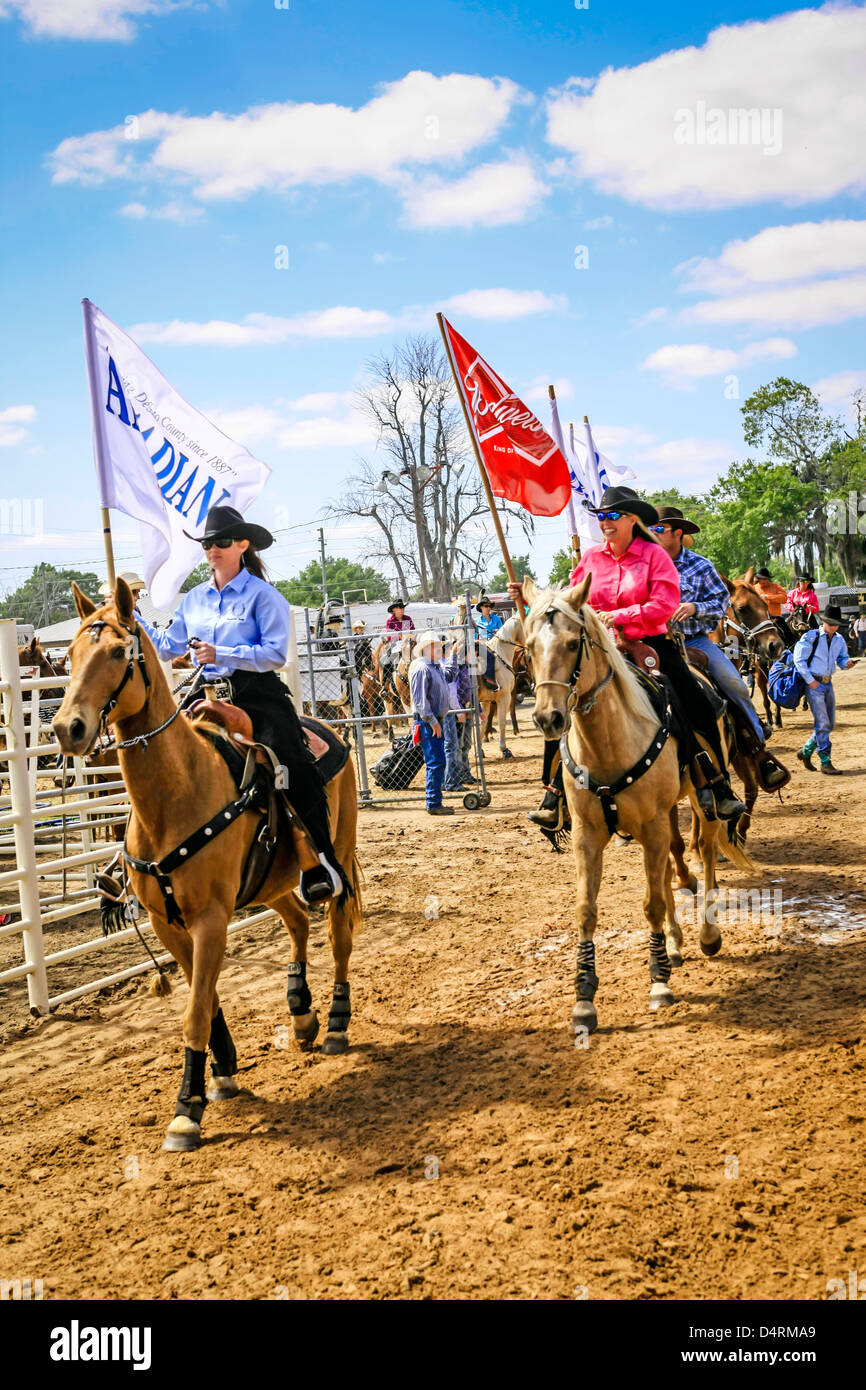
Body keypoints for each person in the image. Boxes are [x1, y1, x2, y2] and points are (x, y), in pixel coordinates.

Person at [133, 504, 343, 906]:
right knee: (156, 750)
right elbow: (165, 646)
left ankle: (320, 861)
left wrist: (221, 653)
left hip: (256, 694)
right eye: (209, 543)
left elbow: (276, 654)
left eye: (222, 542)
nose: (213, 549)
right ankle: (142, 863)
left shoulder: (264, 596)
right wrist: (133, 617)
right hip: (202, 693)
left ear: (242, 545)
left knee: (291, 761)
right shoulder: (192, 600)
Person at [508, 486, 746, 828]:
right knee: (562, 700)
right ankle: (554, 794)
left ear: (633, 520)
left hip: (650, 642)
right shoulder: (590, 559)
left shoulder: (655, 556)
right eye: (601, 516)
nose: (605, 522)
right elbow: (569, 603)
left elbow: (664, 604)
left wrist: (620, 616)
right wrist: (531, 599)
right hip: (601, 648)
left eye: (613, 516)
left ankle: (715, 781)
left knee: (693, 697)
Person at [653, 506, 788, 789]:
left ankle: (758, 750)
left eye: (659, 529)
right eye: (650, 529)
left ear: (677, 533)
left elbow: (719, 604)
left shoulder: (701, 566)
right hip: (651, 643)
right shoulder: (642, 564)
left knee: (732, 682)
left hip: (694, 641)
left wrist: (694, 607)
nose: (652, 534)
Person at [794, 603, 859, 775]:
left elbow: (842, 659)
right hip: (814, 684)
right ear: (823, 622)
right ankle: (825, 761)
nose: (833, 626)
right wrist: (810, 681)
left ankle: (806, 750)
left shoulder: (838, 640)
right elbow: (798, 659)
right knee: (823, 723)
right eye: (830, 623)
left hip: (827, 683)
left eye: (836, 623)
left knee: (828, 724)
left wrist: (848, 663)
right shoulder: (811, 636)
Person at [409, 630, 458, 815]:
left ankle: (434, 801)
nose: (440, 649)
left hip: (433, 720)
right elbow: (421, 701)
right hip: (428, 722)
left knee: (437, 760)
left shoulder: (434, 667)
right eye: (437, 646)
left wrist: (453, 654)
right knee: (436, 761)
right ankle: (433, 803)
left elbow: (450, 675)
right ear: (428, 648)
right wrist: (432, 721)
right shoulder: (423, 669)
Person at [441, 635, 474, 790]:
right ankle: (452, 780)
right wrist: (459, 710)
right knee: (453, 746)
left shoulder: (445, 665)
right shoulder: (448, 667)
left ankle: (450, 779)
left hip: (452, 710)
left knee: (454, 745)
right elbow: (452, 692)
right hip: (451, 711)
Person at [474, 596, 502, 692]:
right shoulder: (476, 621)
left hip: (496, 643)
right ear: (481, 607)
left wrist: (498, 631)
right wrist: (479, 641)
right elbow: (474, 638)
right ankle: (490, 681)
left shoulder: (497, 619)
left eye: (490, 606)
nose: (488, 608)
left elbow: (502, 632)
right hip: (482, 644)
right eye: (486, 606)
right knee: (490, 657)